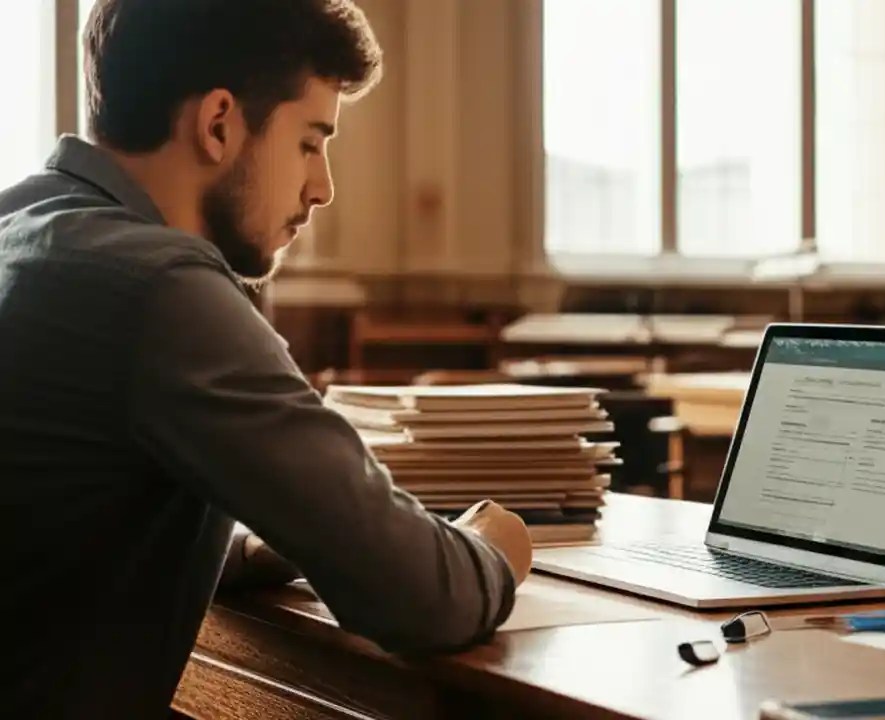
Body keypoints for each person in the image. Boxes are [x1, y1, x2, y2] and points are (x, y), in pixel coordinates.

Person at [0, 1, 532, 716]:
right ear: (219, 123)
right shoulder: (163, 288)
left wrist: (265, 540)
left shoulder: (23, 229)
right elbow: (424, 598)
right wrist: (495, 543)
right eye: (311, 142)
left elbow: (60, 528)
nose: (322, 188)